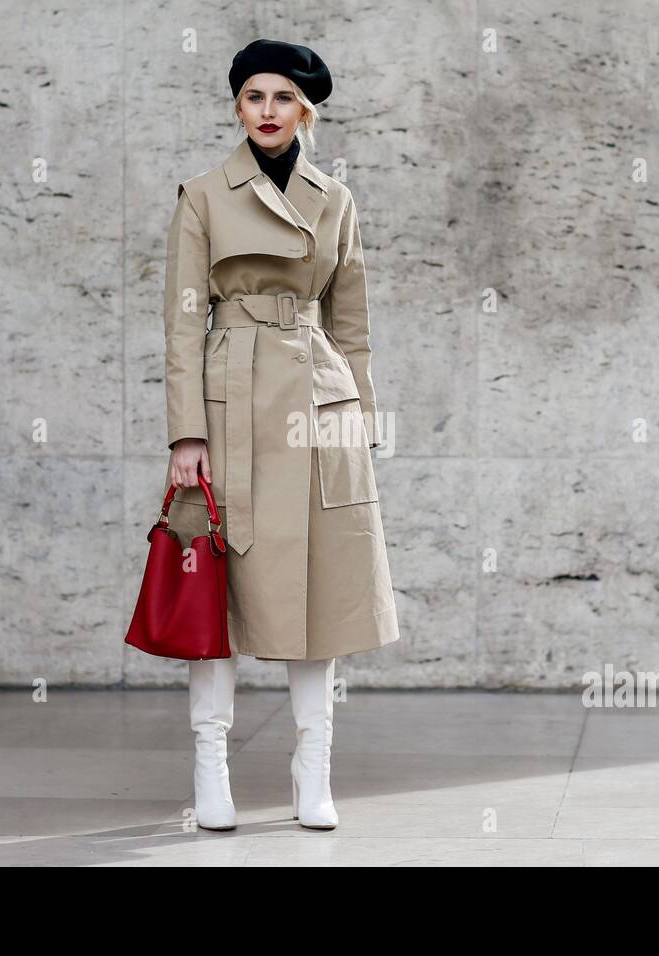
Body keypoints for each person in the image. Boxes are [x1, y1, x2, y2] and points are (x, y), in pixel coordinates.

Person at [159, 38, 400, 830]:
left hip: (319, 401)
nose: (268, 111)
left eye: (283, 98)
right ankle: (210, 772)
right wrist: (185, 433)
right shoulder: (201, 194)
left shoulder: (336, 197)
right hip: (231, 401)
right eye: (254, 96)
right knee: (217, 597)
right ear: (237, 106)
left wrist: (360, 418)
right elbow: (181, 322)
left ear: (306, 110)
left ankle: (313, 771)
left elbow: (353, 322)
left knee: (319, 593)